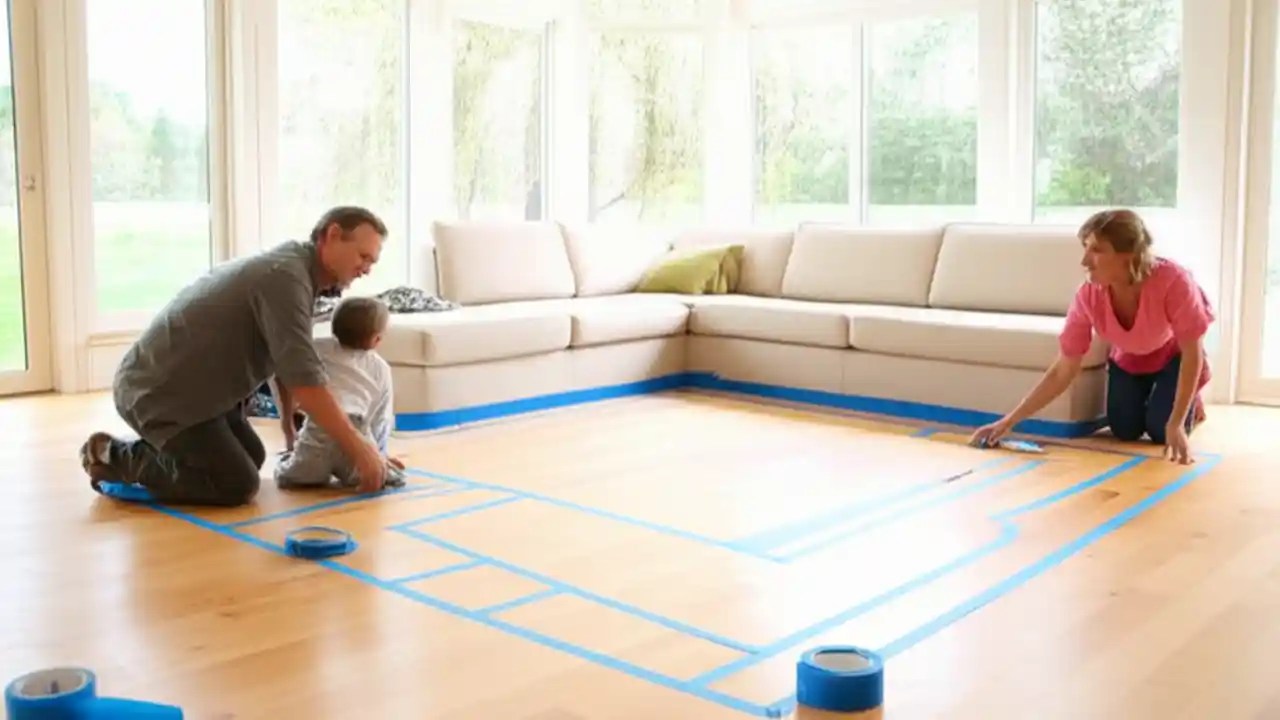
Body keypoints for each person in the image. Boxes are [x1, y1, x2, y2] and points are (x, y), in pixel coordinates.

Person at [79, 206, 392, 506]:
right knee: (235, 483)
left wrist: (288, 426)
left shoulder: (299, 273)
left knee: (252, 456)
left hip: (198, 394)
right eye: (364, 257)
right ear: (333, 235)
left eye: (373, 263)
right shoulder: (286, 278)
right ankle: (111, 453)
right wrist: (359, 450)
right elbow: (304, 377)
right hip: (158, 393)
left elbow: (288, 359)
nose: (366, 269)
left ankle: (164, 448)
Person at [970, 209, 1214, 465]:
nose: (1085, 261)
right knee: (1124, 430)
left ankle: (1189, 402)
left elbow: (1191, 352)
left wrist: (1175, 424)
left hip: (1172, 358)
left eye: (1097, 250)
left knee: (1160, 431)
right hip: (1129, 360)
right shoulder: (1088, 295)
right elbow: (1063, 369)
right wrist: (1009, 422)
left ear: (1129, 254)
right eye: (1085, 247)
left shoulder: (1173, 281)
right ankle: (1157, 402)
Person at [273, 296, 406, 490]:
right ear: (376, 339)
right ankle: (380, 473)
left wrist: (288, 420)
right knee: (377, 476)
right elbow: (381, 416)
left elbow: (283, 369)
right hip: (358, 431)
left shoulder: (316, 348)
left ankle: (293, 464)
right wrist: (379, 452)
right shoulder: (380, 368)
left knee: (291, 477)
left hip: (320, 429)